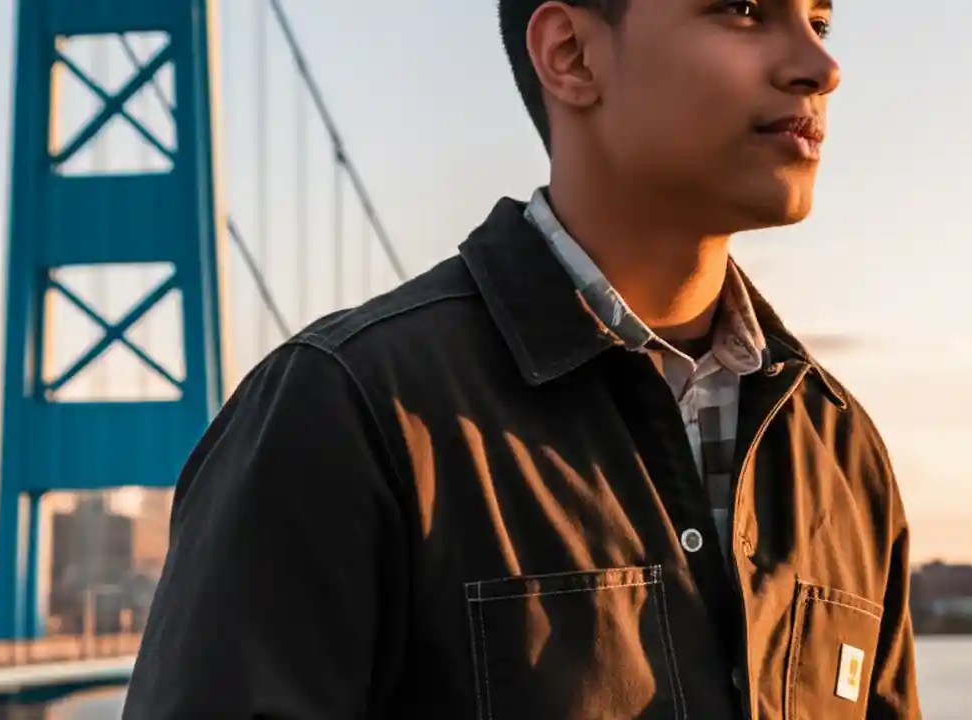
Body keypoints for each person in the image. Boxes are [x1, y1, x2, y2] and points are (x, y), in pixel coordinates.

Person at [124, 0, 921, 717]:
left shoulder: (838, 447)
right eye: (746, 10)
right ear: (571, 55)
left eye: (819, 21)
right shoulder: (347, 411)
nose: (820, 67)